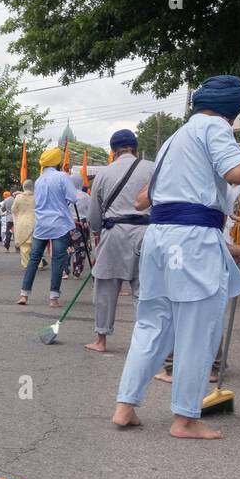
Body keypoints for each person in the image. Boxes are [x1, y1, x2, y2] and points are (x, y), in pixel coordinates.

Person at [111, 75, 240, 439]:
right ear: (234, 109)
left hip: (160, 238)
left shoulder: (174, 138)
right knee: (198, 327)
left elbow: (142, 199)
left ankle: (125, 406)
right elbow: (237, 172)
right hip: (192, 239)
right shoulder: (215, 129)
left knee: (152, 324)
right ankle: (185, 418)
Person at [86, 129, 154, 353]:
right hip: (147, 232)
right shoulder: (153, 168)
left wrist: (96, 231)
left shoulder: (104, 174)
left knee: (105, 286)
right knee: (143, 290)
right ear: (135, 147)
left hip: (113, 232)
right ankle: (145, 342)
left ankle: (101, 340)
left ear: (113, 150)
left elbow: (94, 215)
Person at [17, 147, 79, 307]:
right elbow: (73, 197)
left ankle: (24, 294)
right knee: (58, 259)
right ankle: (53, 298)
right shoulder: (62, 177)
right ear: (57, 162)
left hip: (41, 224)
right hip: (59, 224)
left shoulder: (39, 180)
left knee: (34, 259)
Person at [13, 178, 36, 262]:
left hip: (22, 222)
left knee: (24, 246)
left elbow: (13, 210)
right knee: (35, 245)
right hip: (35, 222)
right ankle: (38, 263)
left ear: (23, 187)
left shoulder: (19, 197)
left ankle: (26, 264)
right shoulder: (36, 197)